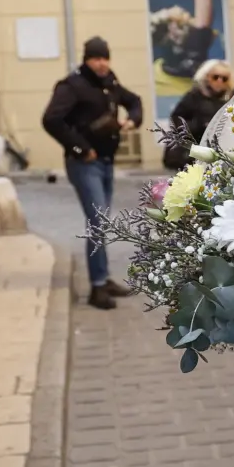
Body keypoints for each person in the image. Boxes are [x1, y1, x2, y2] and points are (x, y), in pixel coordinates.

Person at [42, 37, 143, 310]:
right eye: (96, 58)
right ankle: (97, 287)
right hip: (84, 164)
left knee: (102, 223)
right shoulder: (72, 86)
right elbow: (51, 119)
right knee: (97, 221)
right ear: (87, 59)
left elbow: (134, 100)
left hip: (106, 161)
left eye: (105, 58)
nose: (101, 63)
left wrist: (132, 119)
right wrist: (80, 148)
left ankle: (104, 277)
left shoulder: (108, 81)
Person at [163, 59, 234, 171]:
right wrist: (200, 125)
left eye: (224, 78)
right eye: (215, 77)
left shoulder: (228, 101)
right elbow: (175, 122)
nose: (219, 81)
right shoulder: (193, 97)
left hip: (215, 158)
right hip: (189, 158)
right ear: (207, 77)